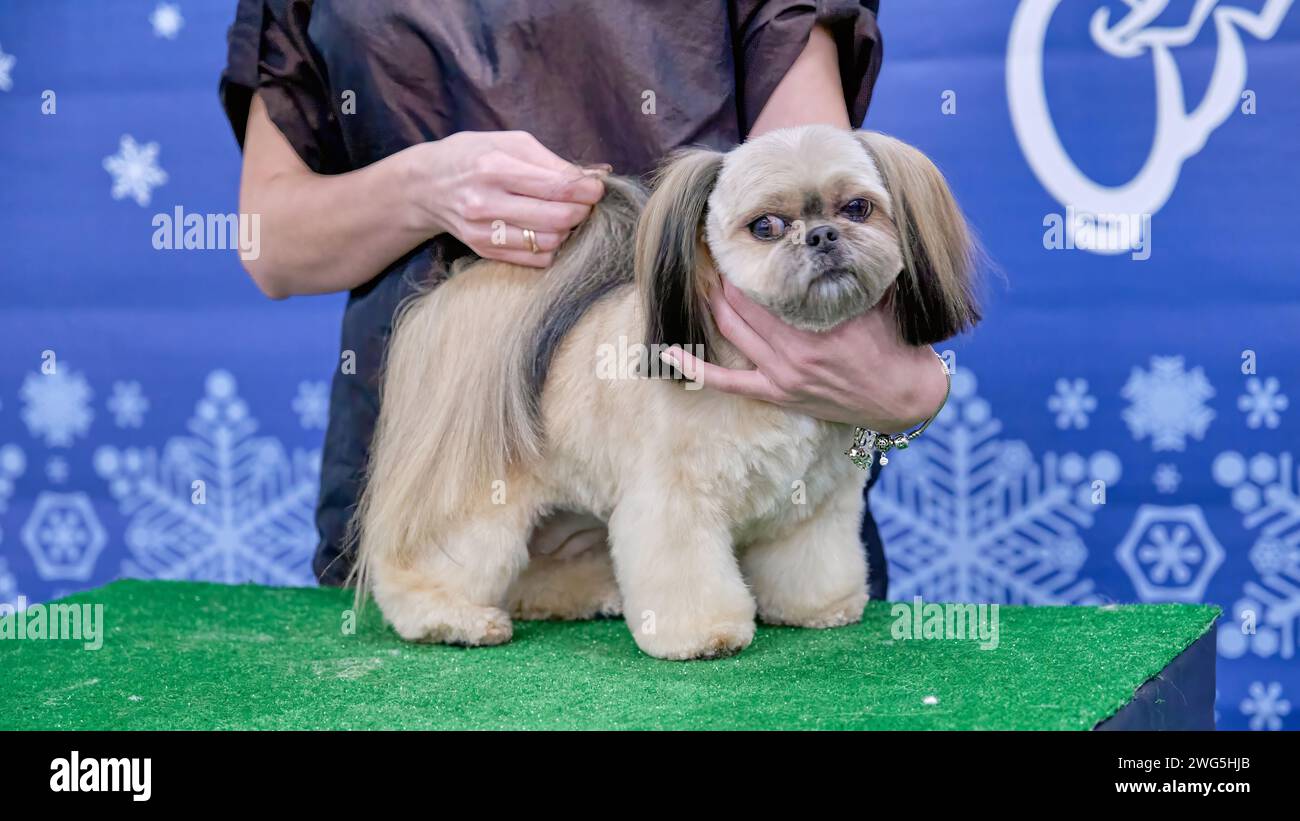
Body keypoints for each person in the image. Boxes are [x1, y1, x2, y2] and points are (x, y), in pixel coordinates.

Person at [219, 0, 947, 599]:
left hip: (741, 491)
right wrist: (422, 190)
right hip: (444, 452)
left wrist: (905, 388)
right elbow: (270, 243)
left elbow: (804, 171)